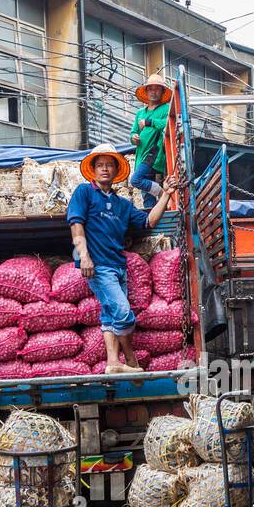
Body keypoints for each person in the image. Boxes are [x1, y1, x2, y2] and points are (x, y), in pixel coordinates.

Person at [67, 144, 180, 374]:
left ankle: (113, 363)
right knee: (123, 313)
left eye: (109, 165)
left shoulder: (123, 205)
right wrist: (84, 256)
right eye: (100, 165)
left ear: (116, 170)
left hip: (119, 267)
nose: (105, 169)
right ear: (93, 170)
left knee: (109, 315)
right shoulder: (84, 192)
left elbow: (150, 222)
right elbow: (76, 224)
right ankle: (131, 361)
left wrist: (166, 193)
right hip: (98, 266)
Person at [129, 74, 172, 210]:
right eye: (150, 89)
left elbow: (169, 123)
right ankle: (153, 223)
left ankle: (161, 192)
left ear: (162, 92)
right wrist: (134, 138)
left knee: (136, 180)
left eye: (157, 89)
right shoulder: (140, 113)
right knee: (147, 196)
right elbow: (132, 133)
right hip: (141, 155)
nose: (153, 92)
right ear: (146, 92)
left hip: (154, 153)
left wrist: (150, 122)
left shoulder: (166, 109)